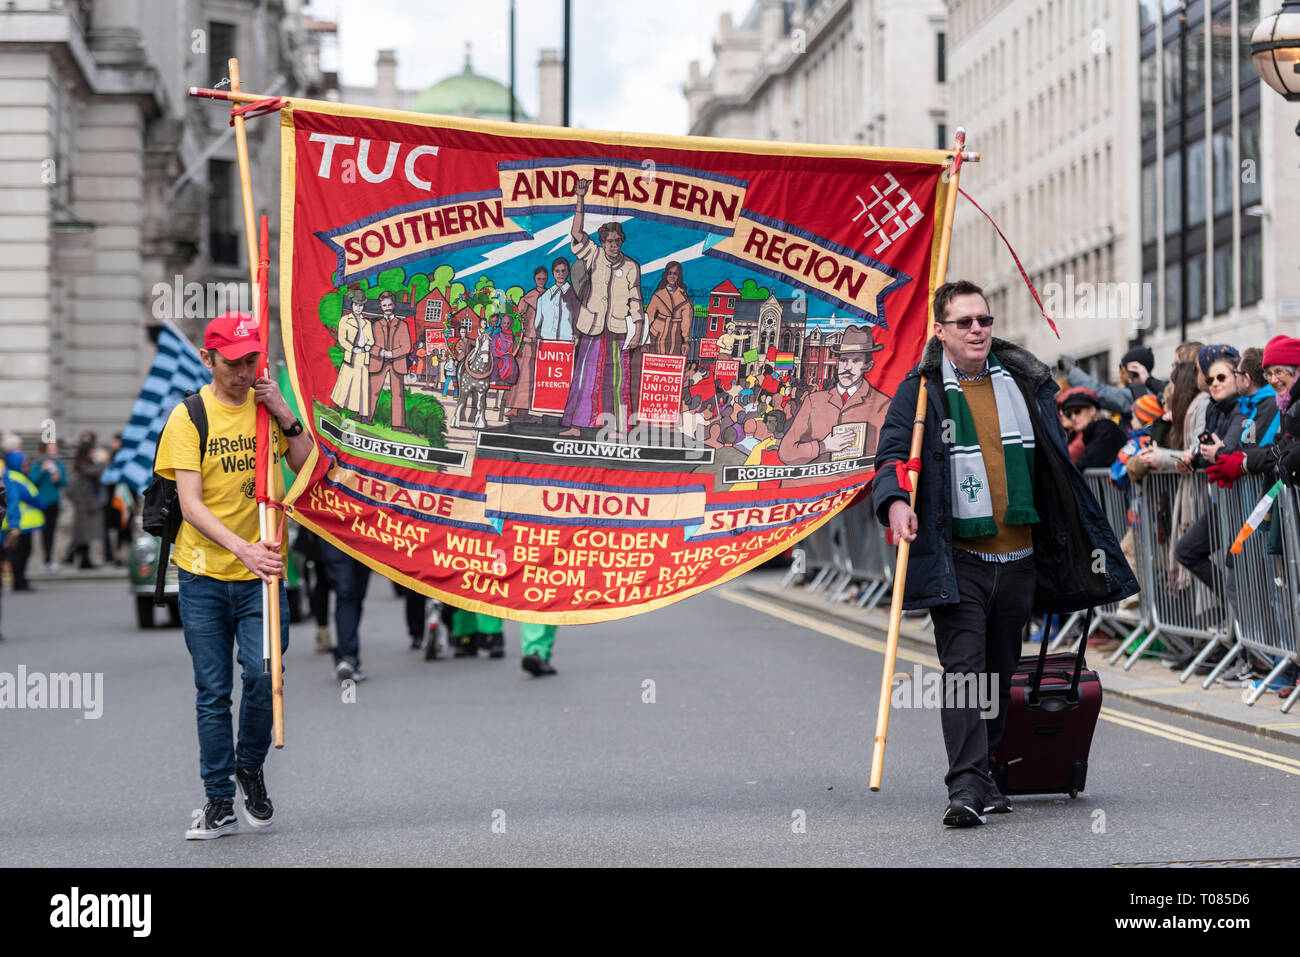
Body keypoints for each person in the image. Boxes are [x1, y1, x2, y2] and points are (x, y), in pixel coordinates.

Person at [872, 280, 1136, 828]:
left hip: (1019, 560)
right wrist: (896, 501)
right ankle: (965, 785)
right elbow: (893, 455)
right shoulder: (921, 393)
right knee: (964, 672)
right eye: (964, 322)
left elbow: (1053, 469)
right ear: (940, 331)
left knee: (997, 673)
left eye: (984, 321)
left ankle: (987, 768)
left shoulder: (1024, 382)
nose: (977, 330)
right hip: (958, 560)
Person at [154, 310, 312, 840]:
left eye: (251, 361)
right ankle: (218, 799)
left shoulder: (266, 407)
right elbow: (191, 504)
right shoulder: (188, 417)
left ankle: (249, 766)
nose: (244, 373)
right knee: (213, 689)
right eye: (233, 364)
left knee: (266, 676)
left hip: (262, 574)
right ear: (208, 359)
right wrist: (241, 548)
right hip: (203, 572)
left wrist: (284, 410)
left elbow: (307, 464)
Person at [559, 178, 645, 436]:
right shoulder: (593, 254)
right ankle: (576, 426)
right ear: (603, 241)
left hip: (617, 330)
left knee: (617, 381)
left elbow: (636, 300)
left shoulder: (631, 266)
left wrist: (638, 331)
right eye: (609, 241)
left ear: (622, 242)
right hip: (591, 326)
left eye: (617, 241)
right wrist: (580, 198)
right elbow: (576, 234)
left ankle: (617, 428)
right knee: (584, 377)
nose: (613, 245)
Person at [777, 325, 892, 467]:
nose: (847, 367)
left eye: (856, 361)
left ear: (868, 366)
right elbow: (786, 452)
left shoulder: (883, 405)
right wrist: (823, 446)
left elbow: (888, 457)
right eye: (843, 360)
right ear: (837, 363)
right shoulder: (813, 400)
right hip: (815, 484)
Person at [319, 540, 371, 681]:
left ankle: (346, 655)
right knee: (346, 594)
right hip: (335, 535)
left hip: (362, 535)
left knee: (356, 596)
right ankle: (347, 657)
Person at [1062, 345, 1166, 416]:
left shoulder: (1139, 392)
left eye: (1121, 366)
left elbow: (1101, 392)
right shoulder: (1146, 391)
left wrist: (1072, 371)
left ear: (1132, 370)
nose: (1119, 372)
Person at [364, 290, 413, 431]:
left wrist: (392, 354)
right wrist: (380, 352)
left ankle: (398, 425)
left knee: (397, 394)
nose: (387, 308)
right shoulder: (375, 325)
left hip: (396, 363)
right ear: (380, 306)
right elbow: (369, 344)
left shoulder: (402, 325)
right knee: (372, 391)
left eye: (389, 305)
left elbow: (407, 347)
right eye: (384, 305)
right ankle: (366, 418)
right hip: (378, 362)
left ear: (394, 305)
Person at [506, 267, 548, 417]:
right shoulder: (528, 296)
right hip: (529, 340)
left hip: (545, 341)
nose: (541, 282)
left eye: (544, 279)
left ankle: (539, 407)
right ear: (535, 279)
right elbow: (519, 316)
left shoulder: (551, 295)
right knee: (523, 375)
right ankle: (516, 407)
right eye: (539, 279)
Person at [330, 286, 374, 418]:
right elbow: (342, 339)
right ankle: (337, 405)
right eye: (356, 305)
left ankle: (362, 414)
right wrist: (351, 348)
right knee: (345, 380)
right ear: (352, 305)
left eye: (361, 305)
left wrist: (367, 346)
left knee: (361, 385)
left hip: (363, 356)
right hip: (351, 355)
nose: (358, 308)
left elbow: (371, 339)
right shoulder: (345, 320)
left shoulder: (367, 323)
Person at [3, 450, 44, 591]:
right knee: (19, 555)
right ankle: (19, 581)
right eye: (24, 462)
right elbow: (26, 497)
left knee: (21, 554)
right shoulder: (13, 478)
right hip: (19, 523)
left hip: (21, 523)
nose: (27, 465)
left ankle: (19, 580)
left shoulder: (13, 476)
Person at [1057, 389, 1127, 468]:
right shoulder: (1091, 432)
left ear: (1092, 410)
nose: (1073, 417)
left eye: (1077, 411)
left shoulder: (1105, 428)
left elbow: (1092, 459)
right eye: (1069, 414)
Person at [65, 432, 103, 568]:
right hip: (84, 505)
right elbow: (96, 472)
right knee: (83, 535)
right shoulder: (82, 466)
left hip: (87, 504)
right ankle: (83, 560)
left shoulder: (82, 465)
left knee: (84, 535)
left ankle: (83, 559)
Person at [28, 442, 66, 572]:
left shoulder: (59, 464)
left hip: (54, 502)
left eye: (55, 449)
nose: (54, 452)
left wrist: (58, 478)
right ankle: (45, 560)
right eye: (51, 449)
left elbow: (64, 482)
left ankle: (49, 559)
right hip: (41, 502)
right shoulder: (37, 464)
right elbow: (32, 481)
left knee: (51, 531)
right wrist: (43, 471)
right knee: (43, 533)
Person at [647, 261, 692, 356]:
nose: (672, 276)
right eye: (670, 273)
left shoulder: (684, 298)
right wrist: (647, 337)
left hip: (675, 337)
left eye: (675, 274)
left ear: (679, 276)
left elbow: (686, 321)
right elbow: (649, 316)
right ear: (666, 275)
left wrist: (686, 341)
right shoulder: (658, 295)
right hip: (656, 335)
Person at [535, 257, 578, 342]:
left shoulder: (575, 295)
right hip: (546, 344)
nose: (560, 274)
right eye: (557, 271)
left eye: (563, 271)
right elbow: (537, 323)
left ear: (568, 272)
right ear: (553, 273)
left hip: (568, 343)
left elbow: (578, 318)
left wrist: (577, 335)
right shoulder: (543, 298)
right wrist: (538, 337)